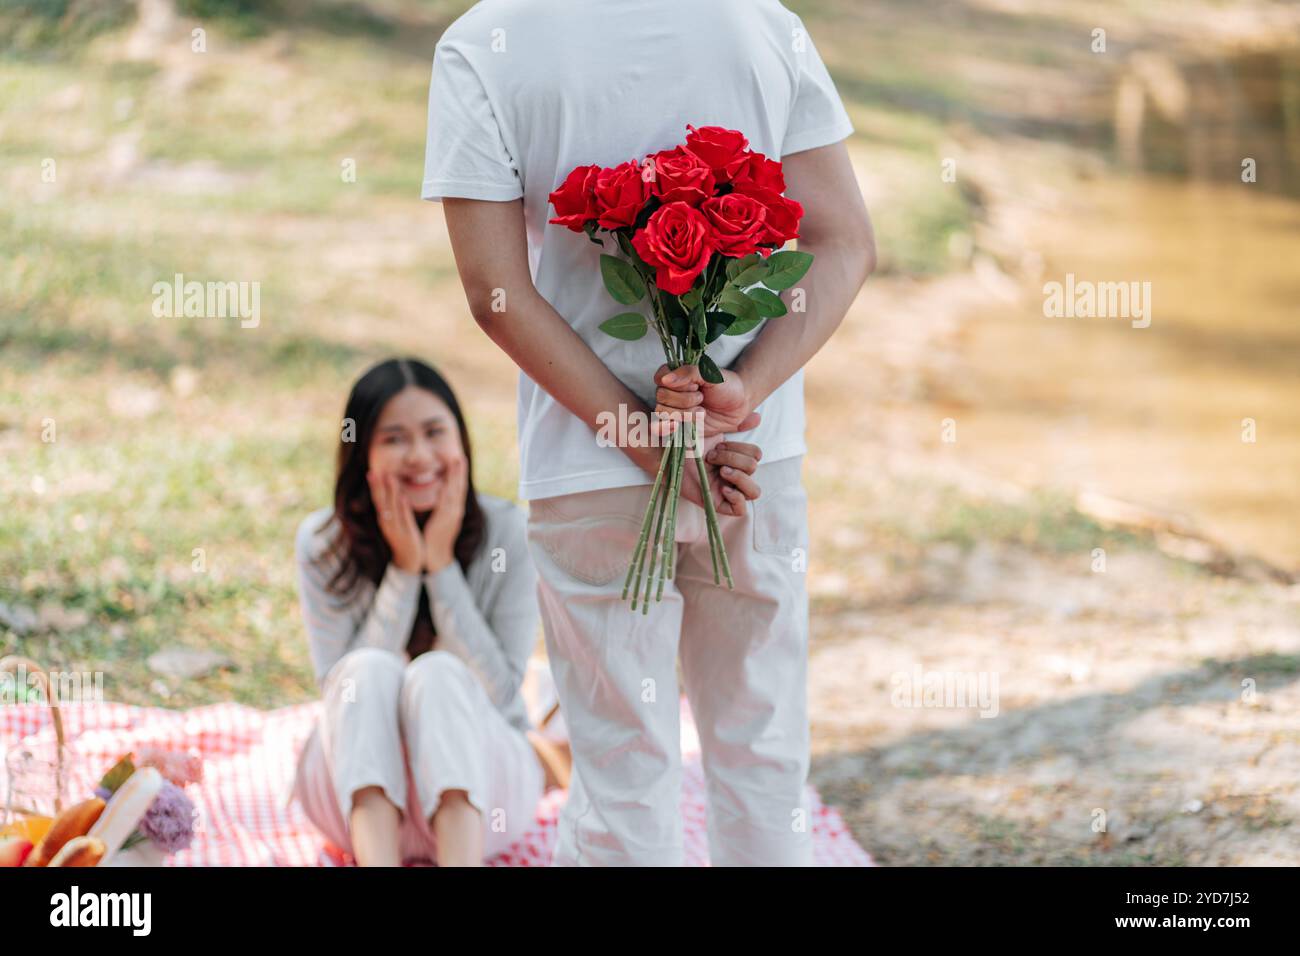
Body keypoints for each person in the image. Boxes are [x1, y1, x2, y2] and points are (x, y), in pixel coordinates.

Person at [422, 0, 876, 865]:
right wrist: (744, 390)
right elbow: (845, 241)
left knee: (621, 777)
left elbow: (495, 295)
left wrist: (639, 433)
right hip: (753, 463)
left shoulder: (482, 43)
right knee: (763, 759)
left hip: (588, 464)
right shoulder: (760, 22)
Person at [288, 357, 571, 866]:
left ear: (460, 442)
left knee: (439, 672)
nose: (419, 455)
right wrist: (404, 569)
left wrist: (440, 569)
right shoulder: (323, 544)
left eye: (434, 432)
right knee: (369, 669)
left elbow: (503, 692)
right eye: (394, 438)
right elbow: (342, 694)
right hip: (358, 799)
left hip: (481, 799)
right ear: (363, 455)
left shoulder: (508, 533)